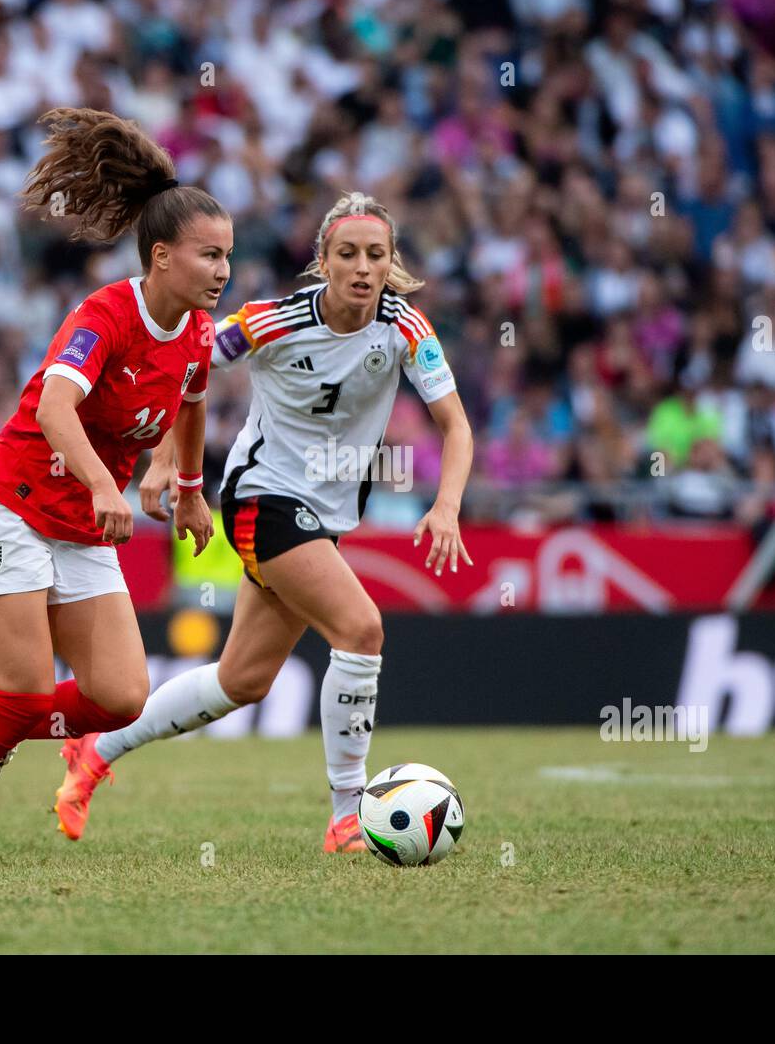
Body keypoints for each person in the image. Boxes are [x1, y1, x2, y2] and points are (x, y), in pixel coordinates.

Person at [48, 191, 475, 850]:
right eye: (348, 254)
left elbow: (456, 426)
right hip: (263, 500)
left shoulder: (406, 329)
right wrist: (167, 460)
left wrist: (446, 505)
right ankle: (345, 813)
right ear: (322, 261)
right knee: (361, 629)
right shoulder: (270, 321)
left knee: (241, 681)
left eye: (376, 255)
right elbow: (189, 366)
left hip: (323, 517)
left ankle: (95, 750)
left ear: (391, 264)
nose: (362, 268)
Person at [0, 108, 223, 868]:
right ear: (162, 256)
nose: (223, 270)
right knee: (29, 694)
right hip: (9, 504)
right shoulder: (103, 313)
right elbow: (52, 405)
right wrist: (108, 485)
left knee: (120, 697)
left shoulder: (198, 332)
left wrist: (191, 487)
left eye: (227, 256)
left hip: (77, 523)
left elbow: (193, 403)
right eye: (209, 256)